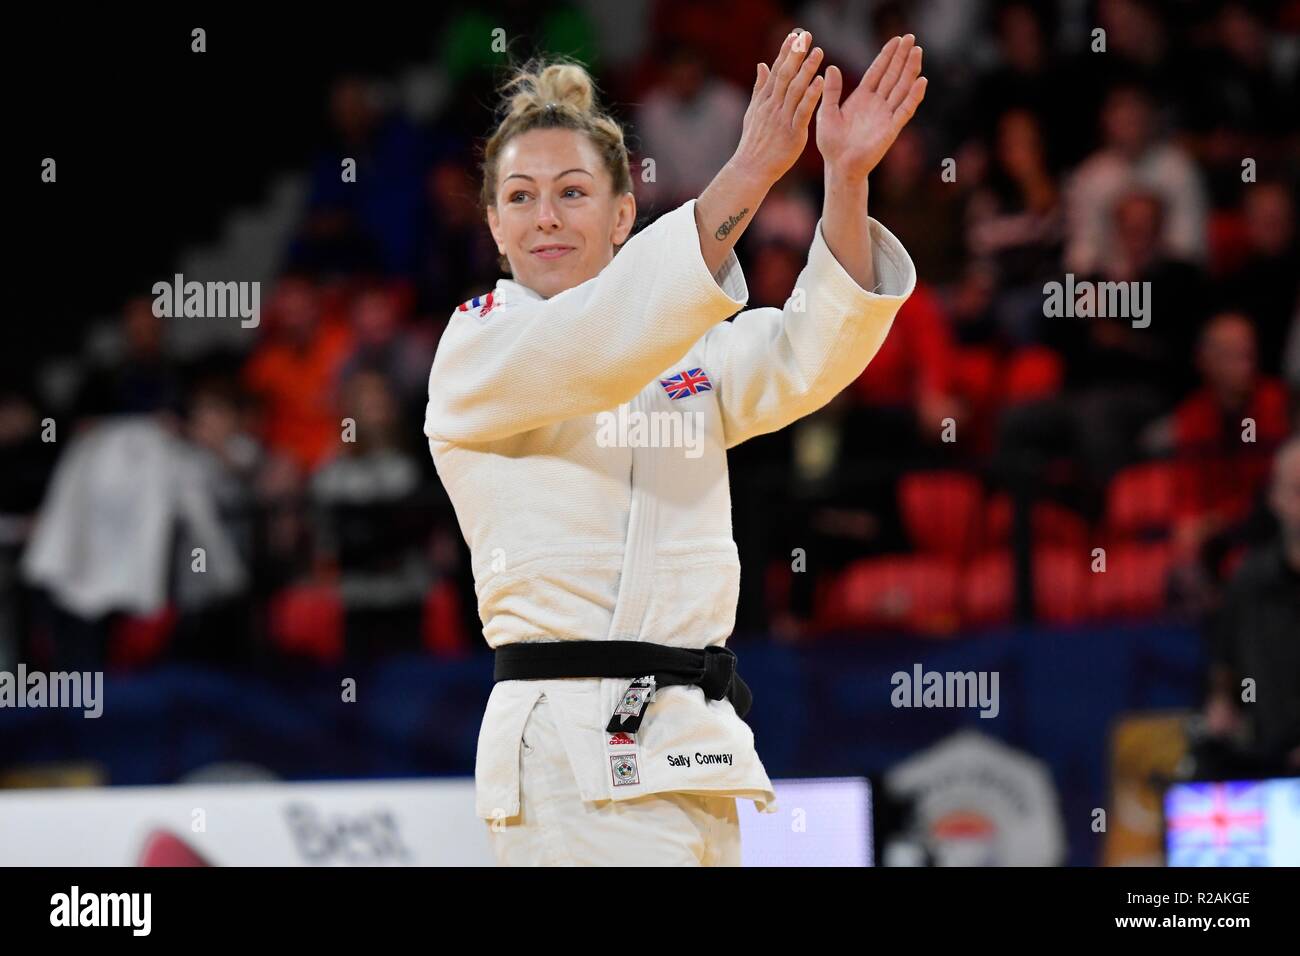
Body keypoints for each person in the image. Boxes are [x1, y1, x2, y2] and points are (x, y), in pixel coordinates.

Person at [424, 30, 923, 866]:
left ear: (625, 215)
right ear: (494, 226)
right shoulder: (476, 349)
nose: (544, 215)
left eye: (573, 191)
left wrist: (845, 178)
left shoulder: (679, 356)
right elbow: (596, 344)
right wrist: (750, 172)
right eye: (519, 196)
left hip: (691, 741)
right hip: (570, 751)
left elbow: (807, 356)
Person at [1199, 435, 1300, 777]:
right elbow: (1224, 667)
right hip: (1268, 768)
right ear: (1275, 500)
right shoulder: (1248, 582)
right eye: (1298, 491)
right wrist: (1222, 704)